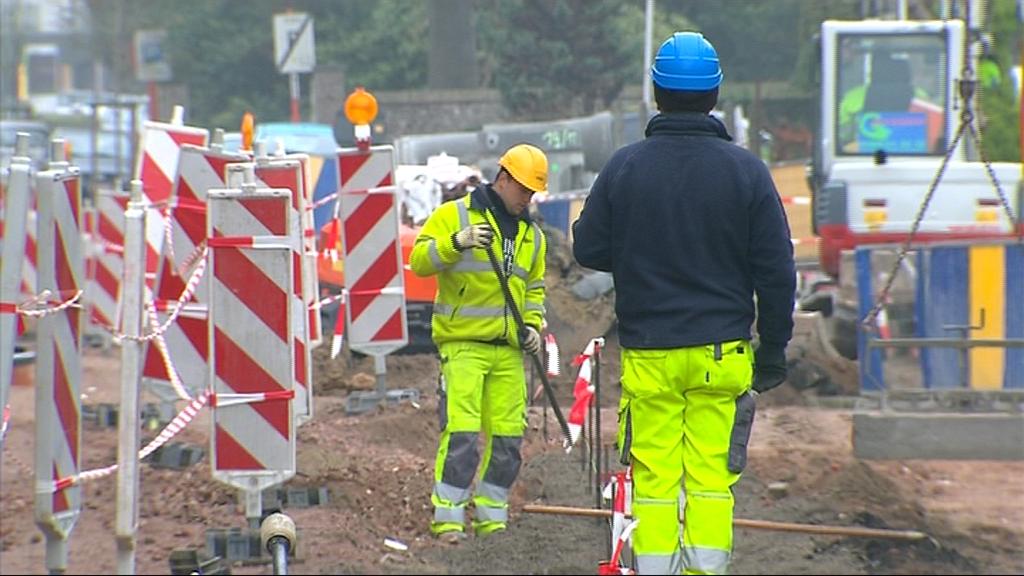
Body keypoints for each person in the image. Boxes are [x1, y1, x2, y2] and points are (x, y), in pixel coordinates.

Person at [572, 31, 795, 574]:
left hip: (651, 355)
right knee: (711, 481)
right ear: (715, 93)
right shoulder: (746, 172)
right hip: (722, 356)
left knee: (654, 481)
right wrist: (774, 350)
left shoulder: (626, 167)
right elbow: (776, 270)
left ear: (656, 92)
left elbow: (589, 248)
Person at [409, 143, 549, 543]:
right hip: (464, 346)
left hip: (508, 352)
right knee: (463, 437)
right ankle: (449, 520)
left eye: (532, 193)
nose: (527, 199)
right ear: (502, 179)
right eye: (522, 190)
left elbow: (534, 287)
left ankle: (492, 520)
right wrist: (457, 242)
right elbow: (420, 262)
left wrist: (534, 324)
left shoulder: (532, 237)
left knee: (507, 441)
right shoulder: (452, 216)